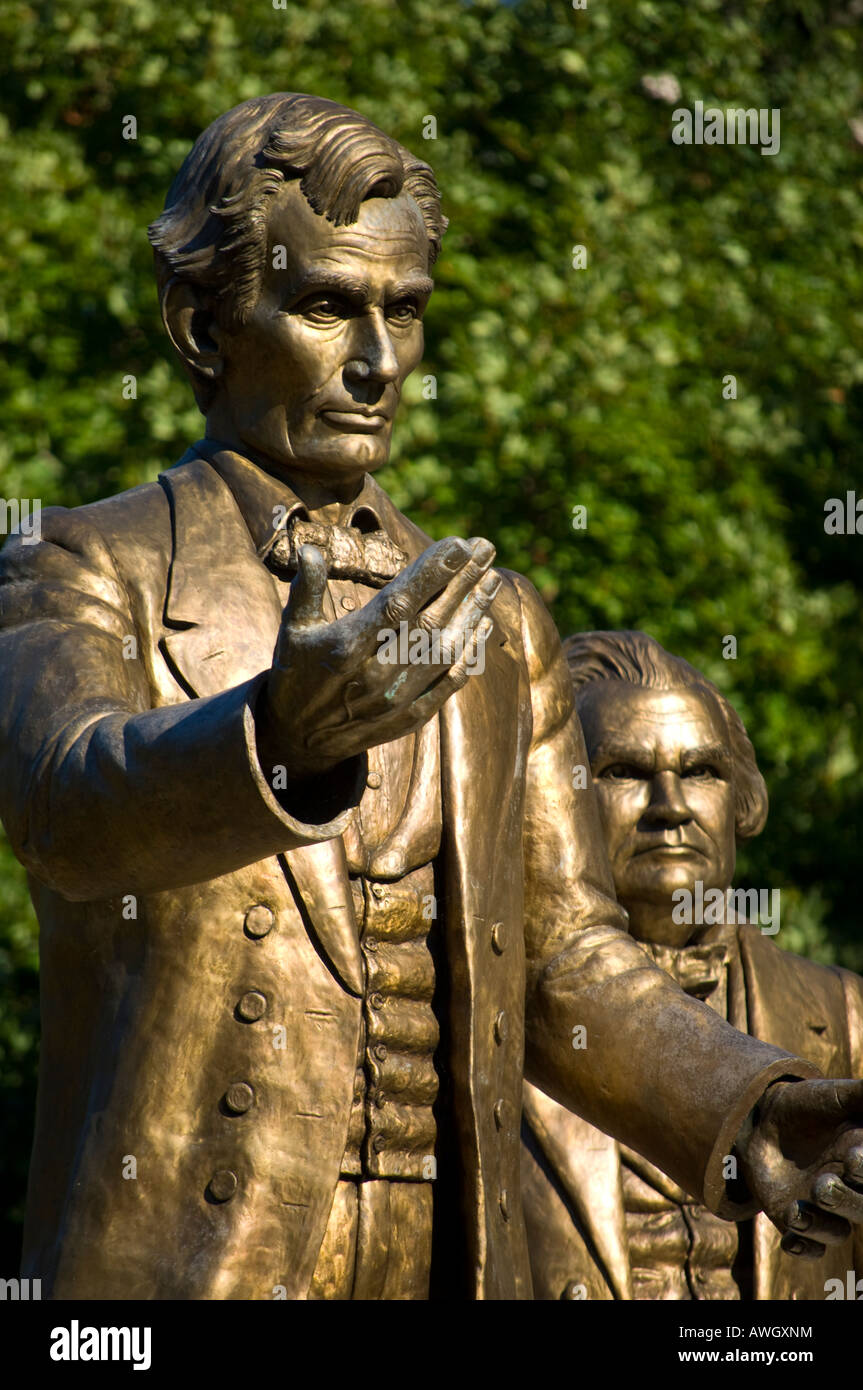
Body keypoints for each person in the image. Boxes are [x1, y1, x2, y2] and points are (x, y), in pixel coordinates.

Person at [2, 95, 863, 1301]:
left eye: (402, 311)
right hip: (191, 1270)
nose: (380, 361)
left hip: (447, 1261)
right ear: (201, 323)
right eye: (324, 307)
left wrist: (741, 1102)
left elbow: (566, 960)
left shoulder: (492, 619)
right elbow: (66, 809)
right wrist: (276, 738)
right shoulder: (86, 564)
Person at [522, 629, 863, 1300]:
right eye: (623, 772)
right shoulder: (490, 1006)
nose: (670, 807)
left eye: (702, 770)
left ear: (743, 802)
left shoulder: (843, 1015)